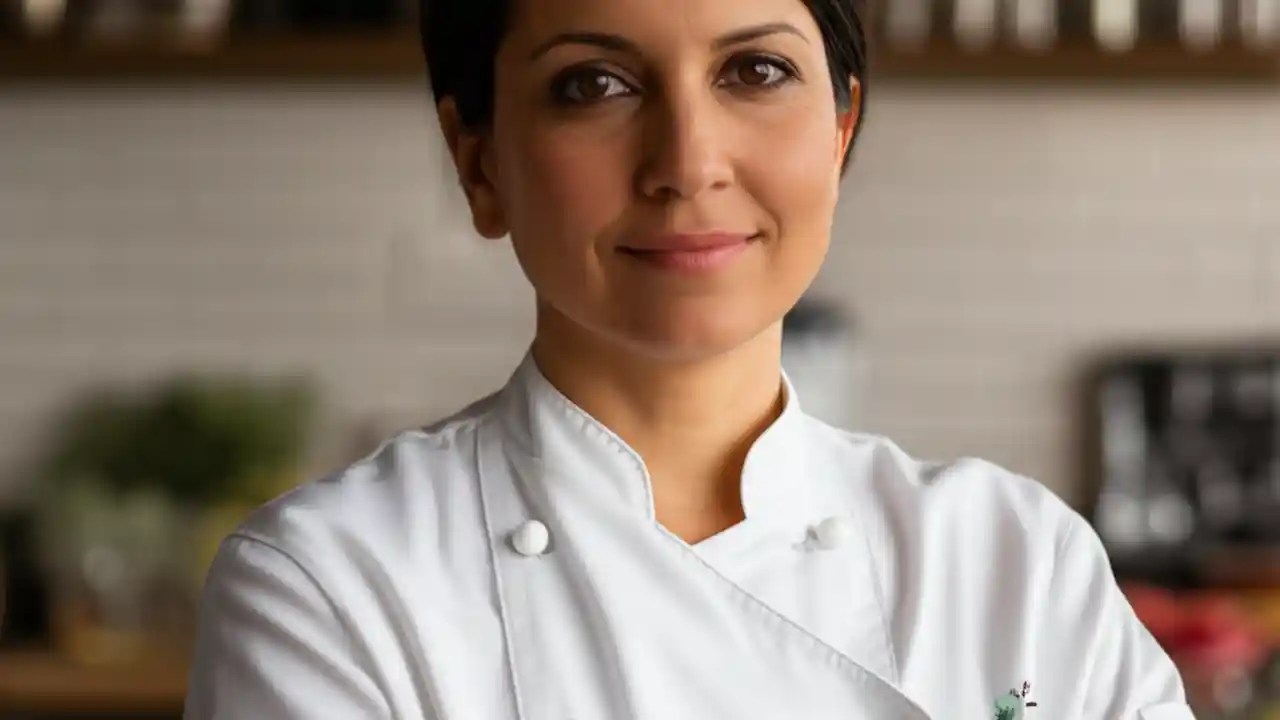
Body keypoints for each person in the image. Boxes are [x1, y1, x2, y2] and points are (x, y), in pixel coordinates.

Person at [184, 0, 1196, 718]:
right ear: (478, 163)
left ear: (839, 131)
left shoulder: (1015, 561)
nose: (686, 162)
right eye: (595, 84)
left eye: (753, 71)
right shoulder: (335, 585)